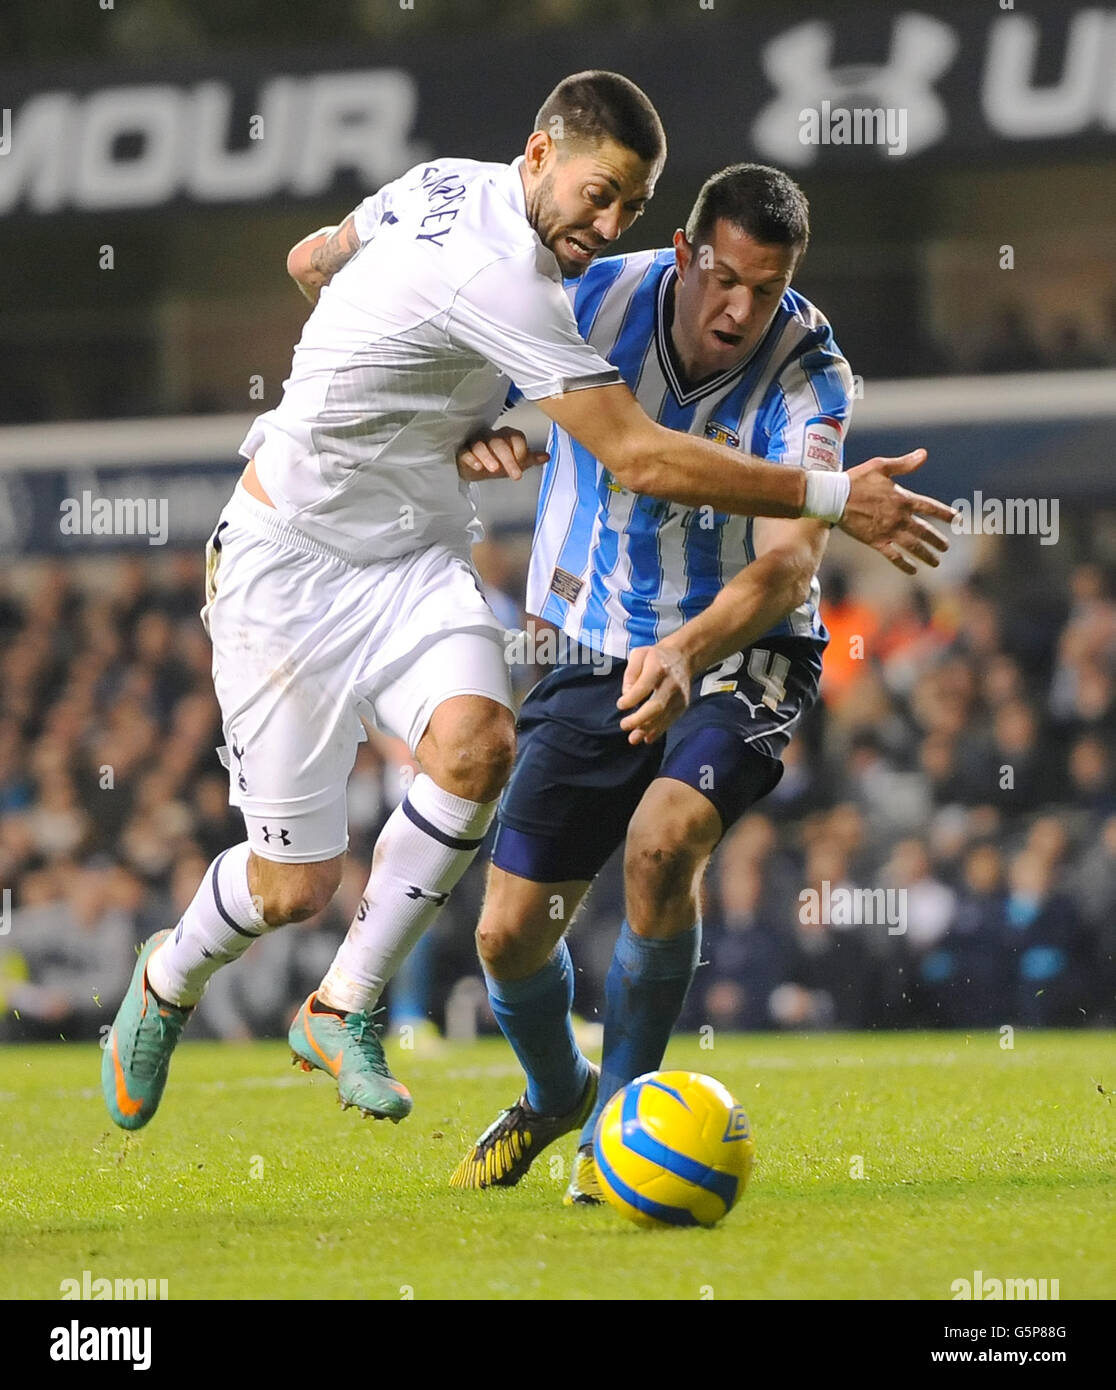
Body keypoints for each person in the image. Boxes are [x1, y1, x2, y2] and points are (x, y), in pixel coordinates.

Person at [102, 75, 950, 1134]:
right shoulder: (527, 283)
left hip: (418, 555)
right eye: (597, 195)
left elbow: (313, 260)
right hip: (287, 569)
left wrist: (436, 404)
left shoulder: (443, 184)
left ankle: (346, 1006)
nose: (605, 226)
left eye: (628, 208)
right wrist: (839, 495)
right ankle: (170, 975)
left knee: (478, 747)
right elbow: (634, 453)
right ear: (539, 153)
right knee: (295, 888)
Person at [447, 163, 926, 1200]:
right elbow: (473, 383)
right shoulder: (586, 296)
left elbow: (791, 560)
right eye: (724, 279)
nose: (741, 308)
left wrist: (686, 651)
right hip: (587, 640)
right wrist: (489, 433)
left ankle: (613, 1127)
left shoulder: (813, 375)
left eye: (768, 285)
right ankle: (557, 1087)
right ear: (683, 253)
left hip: (742, 644)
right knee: (505, 933)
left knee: (665, 840)